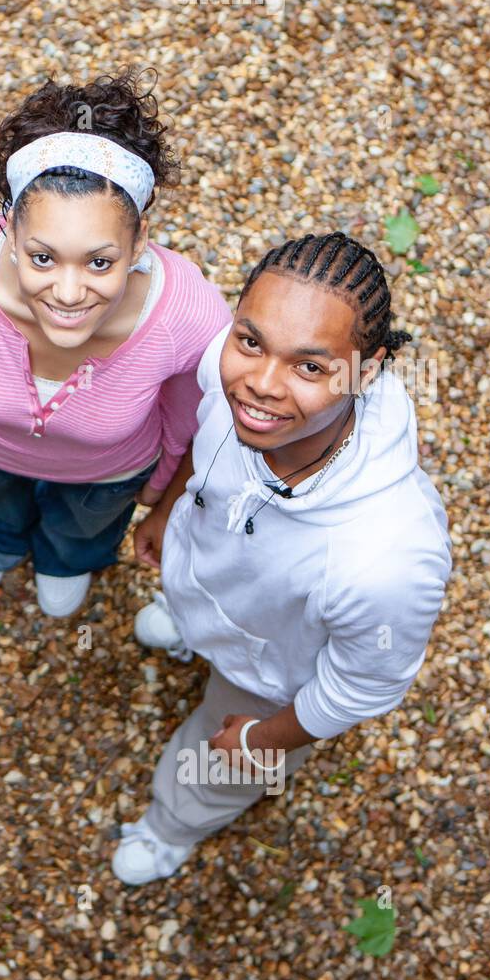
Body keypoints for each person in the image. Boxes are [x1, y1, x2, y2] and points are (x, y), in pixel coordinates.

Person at [113, 233, 452, 884]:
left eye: (310, 367)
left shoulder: (386, 560)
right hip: (203, 583)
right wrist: (166, 509)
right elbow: (208, 433)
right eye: (251, 342)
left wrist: (261, 740)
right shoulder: (231, 370)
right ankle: (190, 631)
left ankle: (170, 825)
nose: (260, 386)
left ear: (368, 368)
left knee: (217, 764)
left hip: (268, 679)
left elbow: (365, 684)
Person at [0, 69, 230, 617]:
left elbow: (185, 413)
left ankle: (67, 559)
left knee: (82, 530)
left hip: (105, 478)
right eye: (43, 257)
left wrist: (162, 481)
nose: (69, 294)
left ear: (139, 239)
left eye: (99, 261)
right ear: (9, 230)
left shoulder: (191, 318)